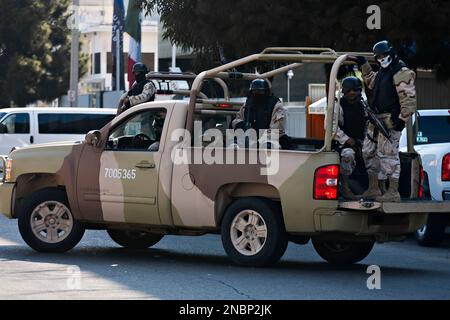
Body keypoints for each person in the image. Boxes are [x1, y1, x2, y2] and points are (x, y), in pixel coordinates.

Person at [352, 40, 417, 202]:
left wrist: (401, 121)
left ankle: (393, 191)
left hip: (391, 122)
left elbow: (409, 101)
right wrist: (365, 66)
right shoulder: (383, 71)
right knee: (368, 152)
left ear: (391, 53)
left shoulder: (401, 72)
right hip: (376, 120)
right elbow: (372, 83)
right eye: (378, 56)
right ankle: (374, 188)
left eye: (384, 55)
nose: (381, 58)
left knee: (388, 156)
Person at [329, 76, 367, 200]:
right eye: (349, 90)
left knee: (375, 155)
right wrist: (346, 140)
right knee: (348, 155)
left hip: (360, 142)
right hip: (342, 144)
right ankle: (345, 188)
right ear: (344, 91)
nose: (352, 93)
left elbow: (367, 125)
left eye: (355, 90)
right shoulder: (337, 105)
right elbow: (330, 126)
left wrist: (366, 142)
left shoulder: (363, 105)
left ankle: (374, 188)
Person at [231, 79, 287, 147]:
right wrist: (240, 124)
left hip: (269, 139)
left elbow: (276, 130)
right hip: (248, 139)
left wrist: (258, 140)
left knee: (267, 146)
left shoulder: (276, 106)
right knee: (233, 146)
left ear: (266, 92)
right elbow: (238, 118)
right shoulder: (247, 104)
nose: (257, 94)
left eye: (260, 92)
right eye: (254, 91)